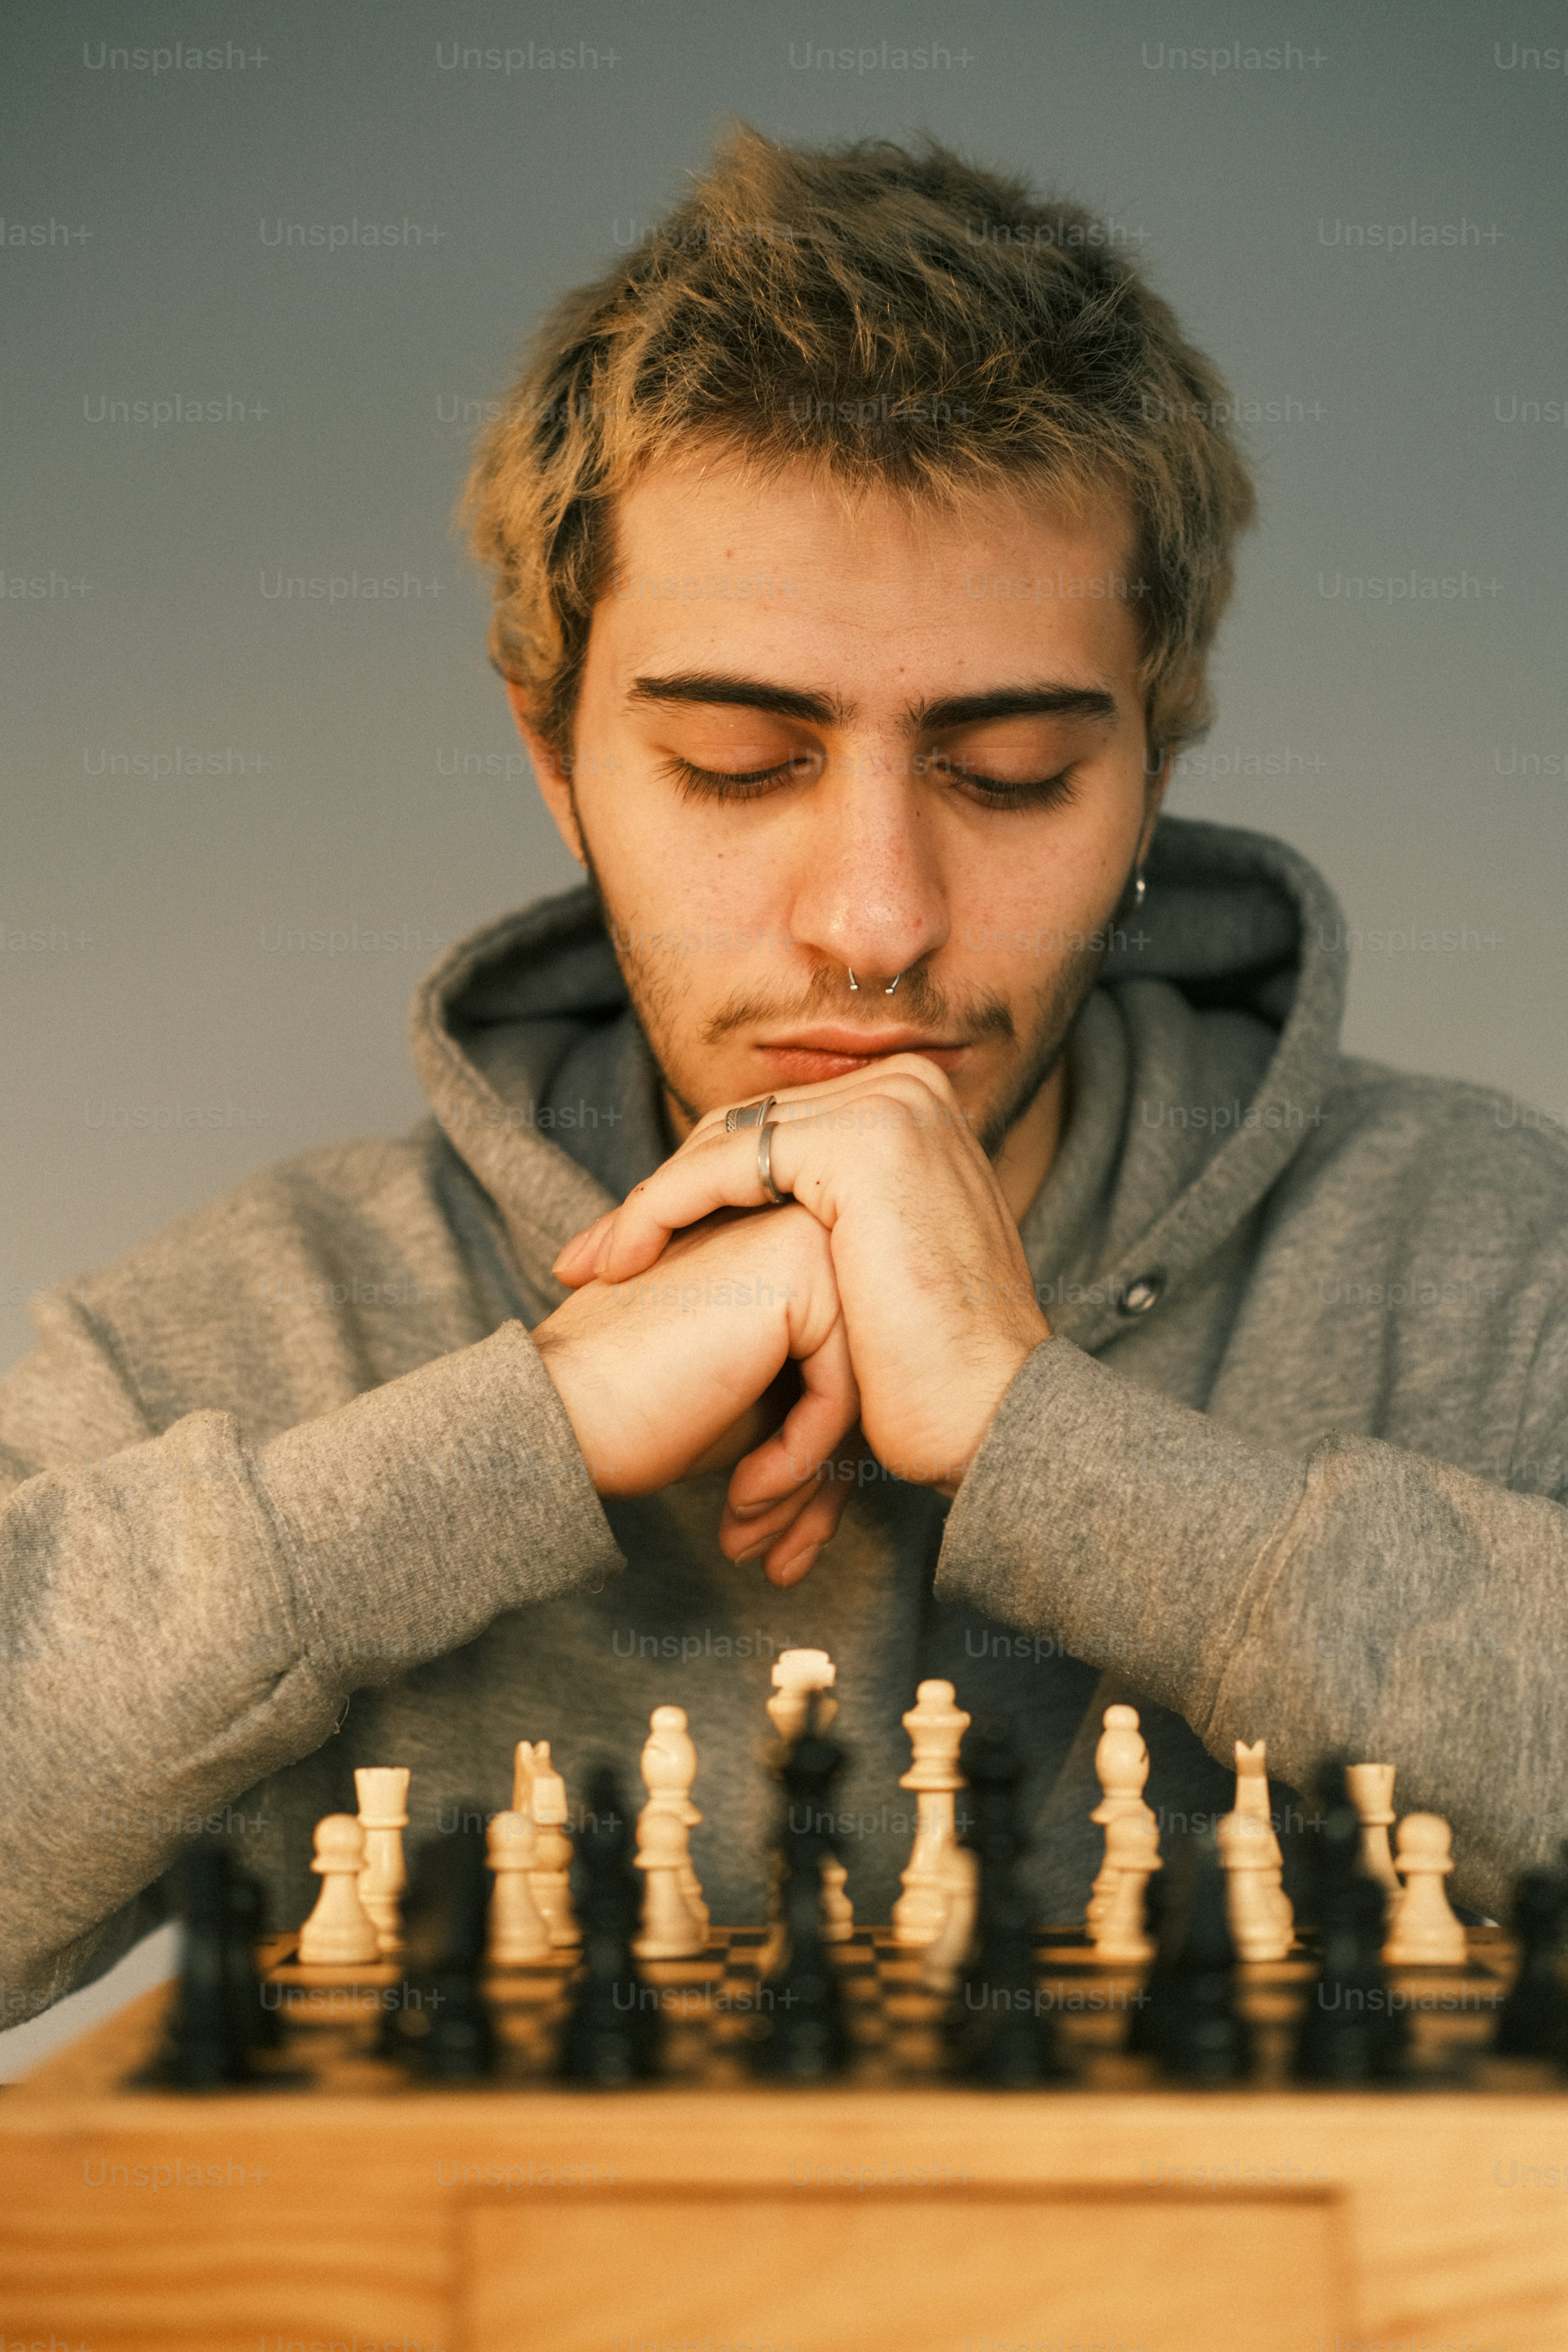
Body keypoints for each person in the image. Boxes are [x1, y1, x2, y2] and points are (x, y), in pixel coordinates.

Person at [4, 127, 1564, 2024]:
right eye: (738, 764)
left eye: (1009, 776)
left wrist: (1045, 1444)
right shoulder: (268, 1329)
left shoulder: (1486, 1268)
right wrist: (512, 1440)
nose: (875, 924)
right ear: (554, 754)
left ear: (1153, 766)